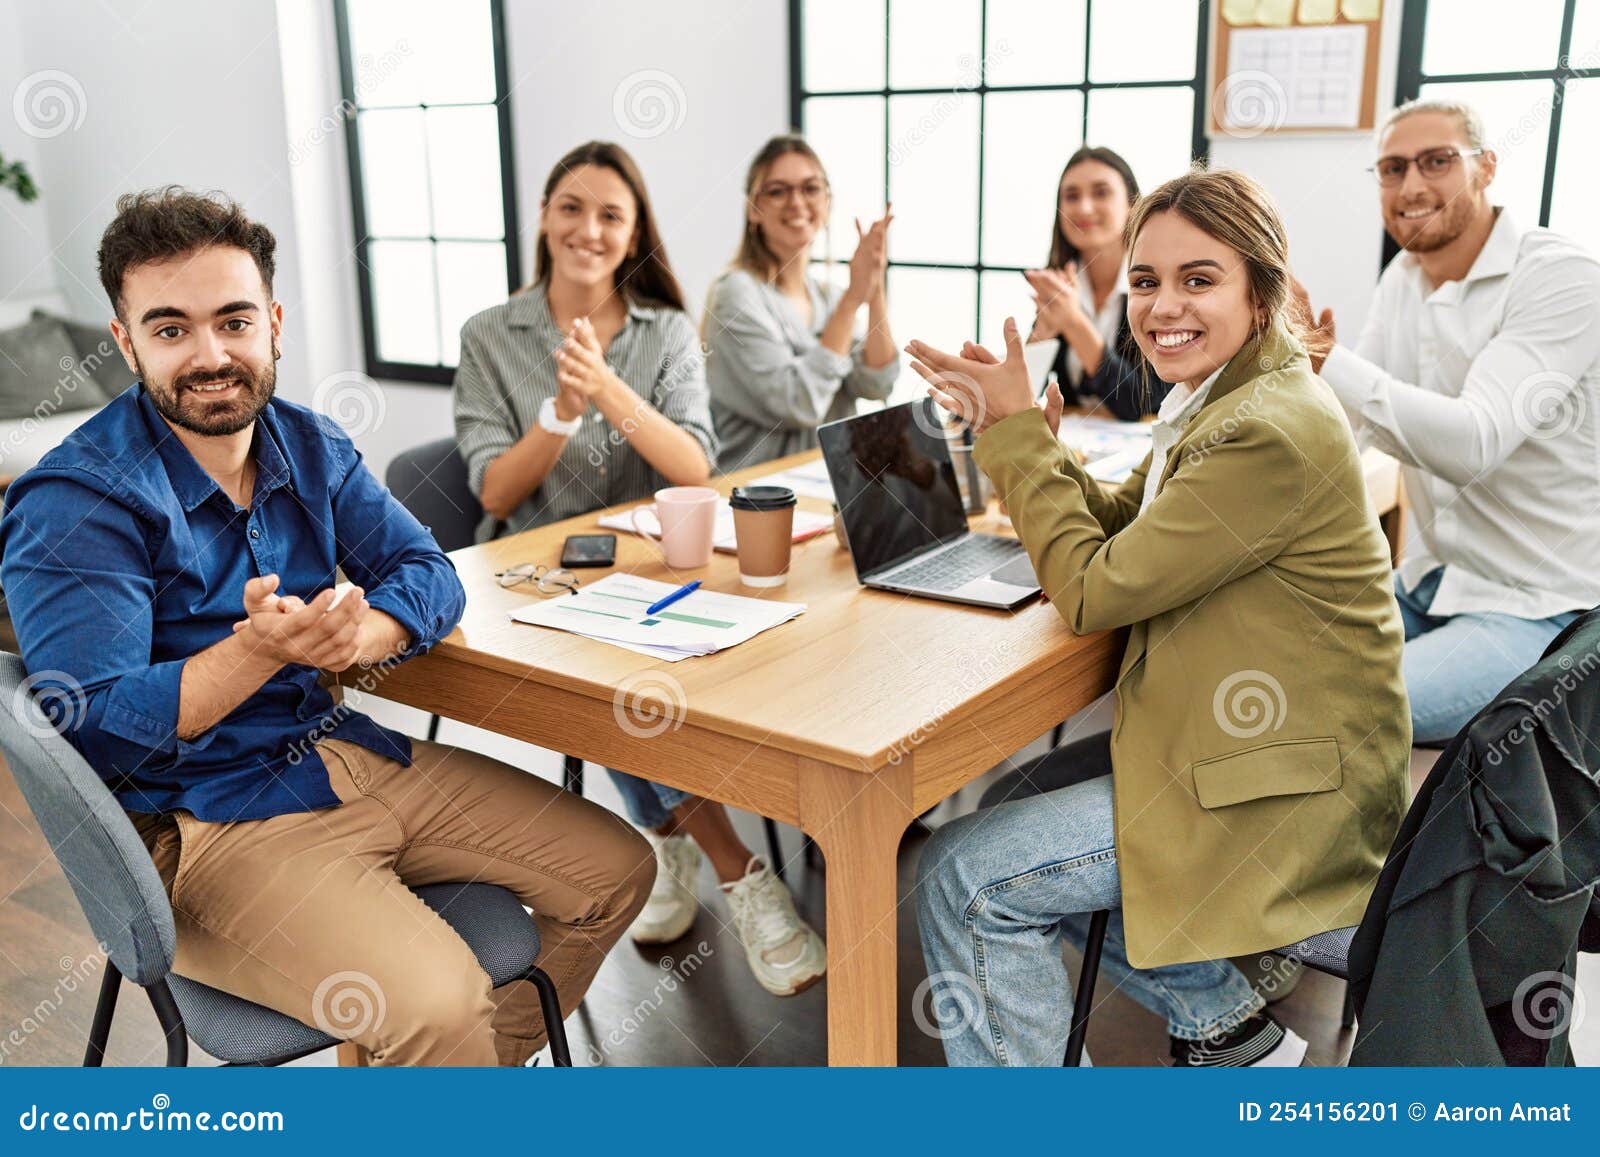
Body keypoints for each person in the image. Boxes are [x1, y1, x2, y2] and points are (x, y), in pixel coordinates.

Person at [0, 187, 655, 1066]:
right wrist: (253, 652)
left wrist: (365, 636)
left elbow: (427, 571)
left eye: (234, 321)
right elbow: (96, 723)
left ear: (273, 325)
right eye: (171, 329)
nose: (210, 355)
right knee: (440, 1005)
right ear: (126, 342)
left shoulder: (310, 444)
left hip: (336, 754)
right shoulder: (75, 502)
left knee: (618, 871)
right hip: (204, 826)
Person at [905, 169, 1410, 1067]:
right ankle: (1226, 1027)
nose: (1162, 305)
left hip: (1286, 793)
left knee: (961, 876)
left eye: (1197, 279)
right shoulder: (1223, 394)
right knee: (1014, 799)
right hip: (1244, 744)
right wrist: (1036, 443)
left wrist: (1018, 441)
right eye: (1145, 280)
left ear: (1262, 292)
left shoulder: (1265, 429)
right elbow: (1122, 528)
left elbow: (1091, 590)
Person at [452, 142, 826, 997]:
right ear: (544, 218)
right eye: (571, 208)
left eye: (610, 215)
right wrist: (559, 412)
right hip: (534, 586)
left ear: (632, 236)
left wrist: (608, 390)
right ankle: (740, 871)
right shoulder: (489, 334)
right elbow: (496, 490)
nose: (588, 229)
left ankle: (665, 838)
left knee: (650, 672)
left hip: (657, 576)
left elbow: (695, 465)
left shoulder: (667, 332)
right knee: (624, 684)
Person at [1294, 98, 1600, 745]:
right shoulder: (1403, 277)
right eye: (1392, 168)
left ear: (1485, 168)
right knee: (1256, 659)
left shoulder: (1562, 276)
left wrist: (1323, 357)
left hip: (1539, 609)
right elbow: (1351, 424)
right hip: (1428, 585)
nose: (1411, 186)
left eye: (1436, 161)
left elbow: (1474, 443)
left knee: (1331, 712)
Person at [704, 134, 898, 473]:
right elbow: (799, 403)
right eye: (778, 191)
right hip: (756, 491)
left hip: (828, 485)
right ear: (753, 209)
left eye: (810, 189)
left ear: (827, 202)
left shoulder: (829, 297)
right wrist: (853, 300)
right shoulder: (736, 294)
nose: (796, 202)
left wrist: (874, 286)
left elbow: (876, 384)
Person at [1026, 145, 1168, 421]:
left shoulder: (1157, 285)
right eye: (1072, 196)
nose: (1084, 207)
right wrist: (1043, 332)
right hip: (1075, 440)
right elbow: (1021, 396)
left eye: (1101, 193)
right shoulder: (1062, 282)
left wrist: (1073, 323)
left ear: (1132, 205)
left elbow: (1142, 403)